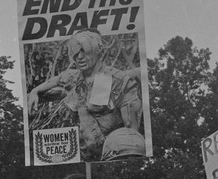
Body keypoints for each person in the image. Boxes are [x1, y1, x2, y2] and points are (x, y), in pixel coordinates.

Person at [27, 28, 143, 161]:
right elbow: (55, 80)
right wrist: (35, 91)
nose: (80, 57)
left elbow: (131, 132)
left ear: (98, 49)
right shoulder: (74, 76)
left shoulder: (119, 81)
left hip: (111, 154)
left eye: (85, 50)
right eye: (76, 51)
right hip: (85, 154)